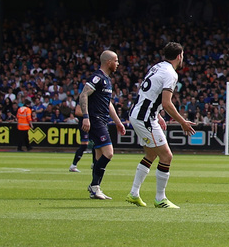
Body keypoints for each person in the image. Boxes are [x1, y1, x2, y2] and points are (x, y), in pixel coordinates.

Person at [126, 41, 196, 209]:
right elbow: (167, 103)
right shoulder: (171, 74)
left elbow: (150, 94)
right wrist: (182, 122)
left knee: (151, 154)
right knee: (166, 156)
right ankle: (160, 199)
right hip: (145, 118)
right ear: (179, 56)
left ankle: (134, 193)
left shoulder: (156, 67)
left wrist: (157, 115)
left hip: (139, 113)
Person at [77, 49, 127, 200]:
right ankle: (94, 186)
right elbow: (83, 94)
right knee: (108, 153)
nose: (118, 64)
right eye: (116, 61)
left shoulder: (107, 80)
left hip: (103, 120)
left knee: (99, 156)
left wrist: (118, 122)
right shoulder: (97, 78)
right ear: (109, 62)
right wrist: (86, 117)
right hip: (95, 119)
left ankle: (95, 188)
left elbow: (108, 103)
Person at [68, 101, 90, 172]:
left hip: (92, 123)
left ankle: (94, 163)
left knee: (97, 144)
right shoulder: (83, 97)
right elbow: (77, 112)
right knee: (84, 145)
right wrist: (88, 115)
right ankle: (73, 165)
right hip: (84, 124)